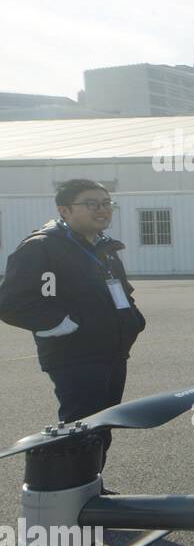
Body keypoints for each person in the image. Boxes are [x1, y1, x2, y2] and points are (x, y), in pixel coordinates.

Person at [0, 179, 146, 473]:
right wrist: (59, 324)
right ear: (64, 210)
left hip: (112, 351)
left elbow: (122, 291)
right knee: (81, 428)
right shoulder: (42, 247)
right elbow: (11, 301)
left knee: (101, 427)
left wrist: (133, 319)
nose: (102, 210)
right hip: (75, 355)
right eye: (91, 204)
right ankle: (70, 496)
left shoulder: (103, 246)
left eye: (107, 203)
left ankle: (91, 489)